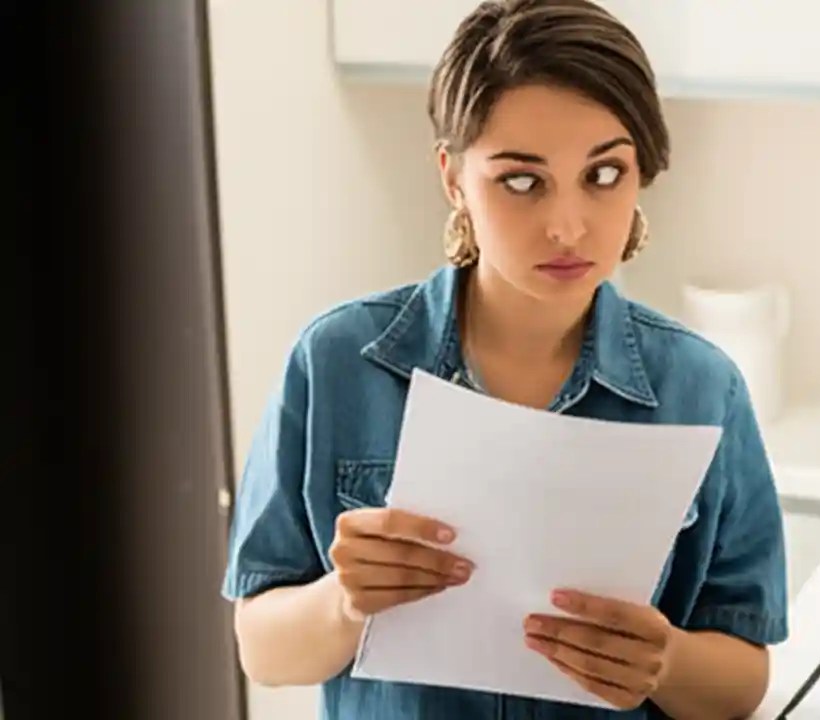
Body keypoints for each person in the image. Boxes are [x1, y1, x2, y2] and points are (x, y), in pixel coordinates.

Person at [220, 0, 789, 717]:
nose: (568, 226)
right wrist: (345, 601)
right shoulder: (334, 362)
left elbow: (743, 679)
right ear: (453, 178)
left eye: (604, 174)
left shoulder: (703, 389)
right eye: (522, 181)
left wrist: (665, 663)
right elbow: (262, 651)